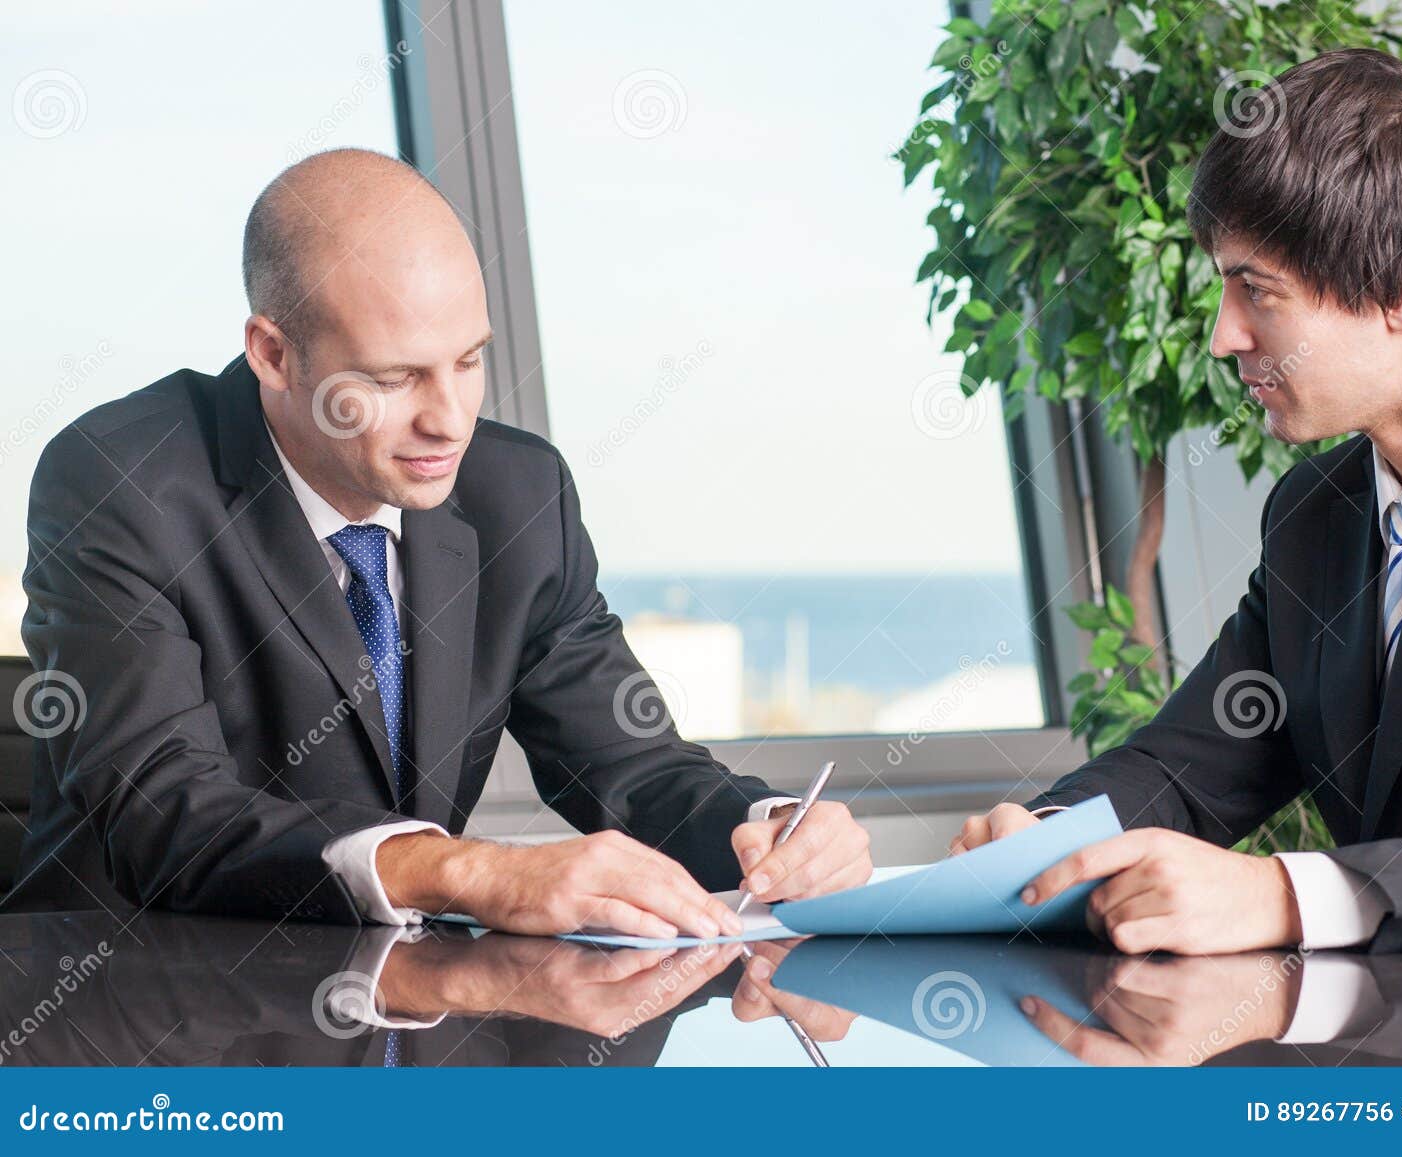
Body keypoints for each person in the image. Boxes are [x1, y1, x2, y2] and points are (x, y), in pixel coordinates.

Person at [5, 148, 871, 936]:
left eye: (468, 360)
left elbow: (634, 767)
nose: (449, 420)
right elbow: (163, 812)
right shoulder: (121, 483)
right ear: (273, 353)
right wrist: (469, 869)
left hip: (402, 1014)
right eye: (393, 377)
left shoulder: (519, 497)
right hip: (149, 1025)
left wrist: (768, 832)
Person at [954, 48, 1402, 954]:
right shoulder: (1315, 514)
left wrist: (1292, 896)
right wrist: (1052, 837)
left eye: (1256, 288)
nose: (1224, 335)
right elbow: (1193, 763)